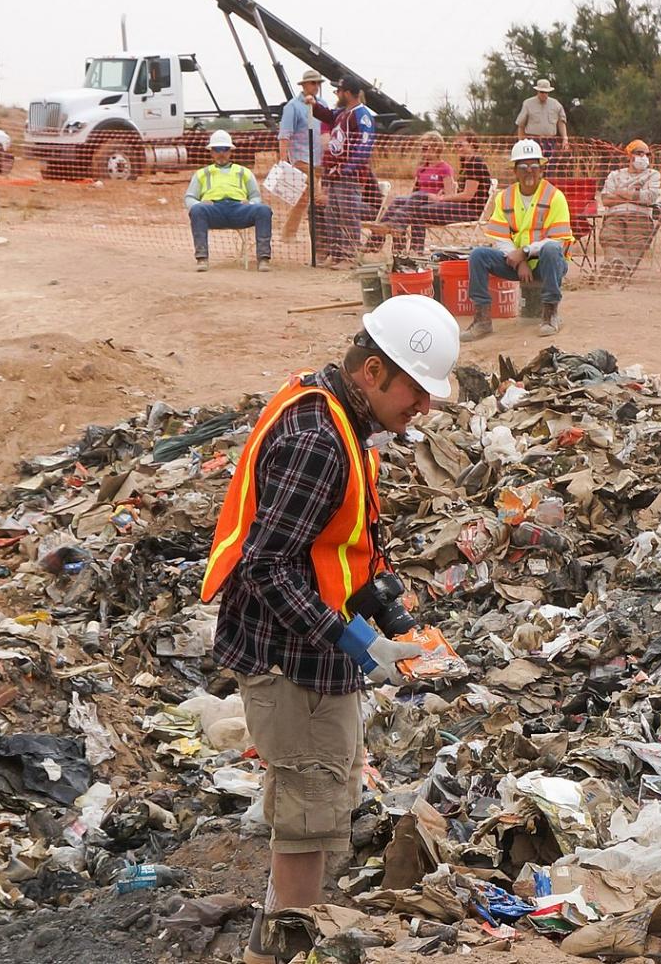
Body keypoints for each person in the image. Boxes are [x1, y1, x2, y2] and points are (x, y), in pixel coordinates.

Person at [200, 294, 460, 964]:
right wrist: (350, 639)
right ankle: (280, 950)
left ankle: (280, 939)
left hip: (307, 654)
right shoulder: (319, 439)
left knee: (313, 810)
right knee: (307, 822)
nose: (423, 407)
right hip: (292, 664)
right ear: (373, 370)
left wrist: (384, 609)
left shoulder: (338, 415)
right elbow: (264, 565)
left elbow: (335, 542)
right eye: (416, 390)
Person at [462, 139, 574, 340]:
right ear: (515, 170)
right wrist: (520, 260)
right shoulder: (504, 197)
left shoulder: (555, 197)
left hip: (547, 263)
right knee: (478, 255)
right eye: (523, 166)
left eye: (534, 166)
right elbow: (499, 237)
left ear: (541, 170)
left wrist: (526, 252)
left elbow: (558, 241)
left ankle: (550, 315)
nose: (529, 171)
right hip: (515, 261)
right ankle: (482, 320)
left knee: (550, 249)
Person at [311, 78, 377, 267]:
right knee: (332, 215)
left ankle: (350, 256)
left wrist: (347, 168)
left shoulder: (361, 115)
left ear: (347, 93)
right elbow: (327, 115)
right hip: (333, 174)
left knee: (348, 215)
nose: (337, 95)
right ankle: (337, 254)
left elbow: (365, 147)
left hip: (349, 176)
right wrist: (314, 105)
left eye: (338, 91)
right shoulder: (341, 113)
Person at [185, 129, 271, 273]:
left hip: (239, 210)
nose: (221, 153)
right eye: (217, 149)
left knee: (263, 210)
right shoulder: (202, 173)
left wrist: (251, 203)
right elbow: (189, 197)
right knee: (197, 210)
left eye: (225, 149)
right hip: (214, 211)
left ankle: (263, 258)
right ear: (211, 152)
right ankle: (202, 258)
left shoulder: (244, 172)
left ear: (230, 151)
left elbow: (255, 195)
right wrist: (199, 204)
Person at [369, 132, 458, 253]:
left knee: (415, 201)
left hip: (434, 204)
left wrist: (438, 197)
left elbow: (450, 195)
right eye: (422, 148)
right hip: (418, 202)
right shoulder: (422, 168)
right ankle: (390, 246)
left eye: (425, 147)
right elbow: (414, 193)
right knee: (399, 201)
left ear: (436, 148)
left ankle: (381, 237)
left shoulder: (445, 168)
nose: (423, 150)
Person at [594, 139, 661, 274]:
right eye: (639, 153)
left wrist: (620, 192)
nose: (644, 157)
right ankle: (616, 264)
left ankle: (620, 267)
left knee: (637, 241)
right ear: (629, 155)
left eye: (647, 154)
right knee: (610, 236)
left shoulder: (653, 174)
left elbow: (650, 197)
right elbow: (606, 200)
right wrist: (635, 194)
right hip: (614, 215)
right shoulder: (615, 174)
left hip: (640, 217)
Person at [277, 70, 326, 241]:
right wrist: (283, 161)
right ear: (304, 85)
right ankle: (290, 234)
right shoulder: (292, 107)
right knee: (310, 196)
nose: (316, 86)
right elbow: (285, 134)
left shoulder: (323, 104)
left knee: (305, 198)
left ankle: (290, 233)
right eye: (313, 83)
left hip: (320, 159)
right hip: (302, 159)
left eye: (318, 83)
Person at [516, 78, 569, 161]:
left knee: (549, 167)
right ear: (537, 91)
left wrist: (565, 139)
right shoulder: (528, 104)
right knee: (533, 165)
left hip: (550, 141)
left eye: (546, 92)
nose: (544, 94)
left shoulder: (556, 104)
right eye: (541, 92)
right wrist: (521, 143)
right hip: (532, 141)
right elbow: (521, 125)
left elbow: (561, 122)